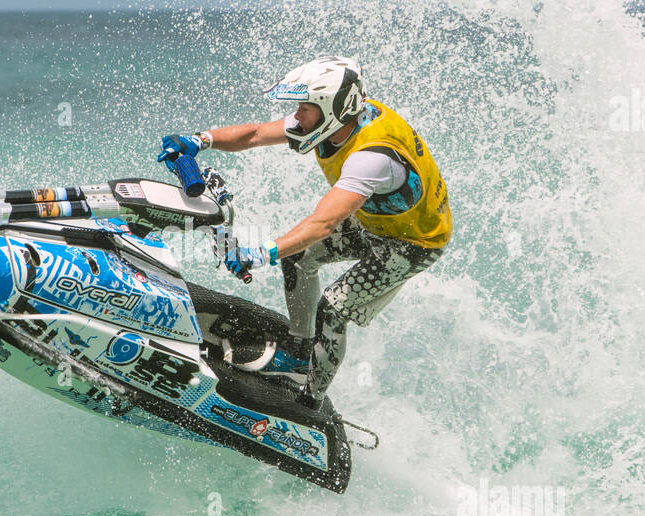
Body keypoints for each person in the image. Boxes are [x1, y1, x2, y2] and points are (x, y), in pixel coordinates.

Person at [157, 56, 452, 408]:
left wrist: (259, 254)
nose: (297, 115)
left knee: (333, 307)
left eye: (304, 107)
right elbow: (254, 134)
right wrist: (199, 140)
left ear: (329, 108)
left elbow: (323, 223)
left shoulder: (371, 157)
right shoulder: (338, 118)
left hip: (412, 244)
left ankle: (310, 401)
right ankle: (299, 351)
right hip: (376, 221)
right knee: (297, 256)